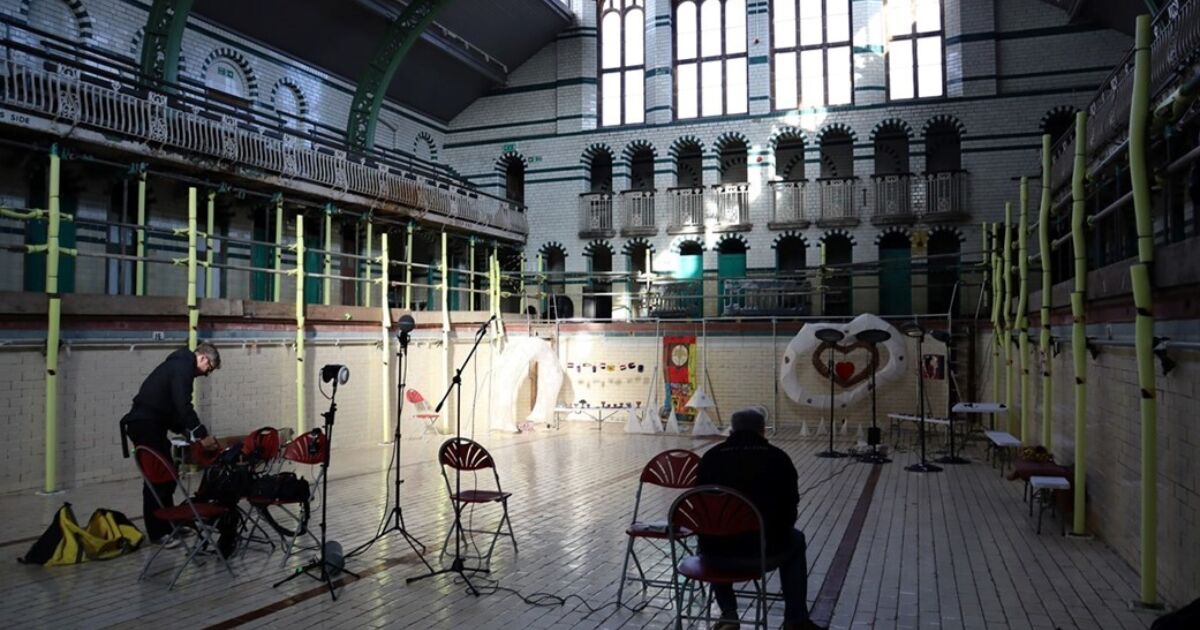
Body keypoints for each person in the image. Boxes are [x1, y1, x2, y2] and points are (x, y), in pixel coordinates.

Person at [696, 408, 822, 630]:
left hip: (715, 555)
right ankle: (795, 620)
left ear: (732, 430)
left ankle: (728, 614)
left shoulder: (711, 457)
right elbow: (789, 509)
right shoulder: (777, 458)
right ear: (763, 431)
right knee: (796, 539)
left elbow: (700, 506)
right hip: (762, 552)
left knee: (713, 532)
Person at [120, 343, 221, 545]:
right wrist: (201, 434)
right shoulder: (182, 367)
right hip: (145, 426)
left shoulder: (177, 366)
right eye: (208, 369)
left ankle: (169, 524)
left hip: (150, 425)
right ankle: (158, 533)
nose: (205, 375)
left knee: (168, 477)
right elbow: (183, 405)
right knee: (157, 479)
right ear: (202, 358)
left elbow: (173, 412)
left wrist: (187, 432)